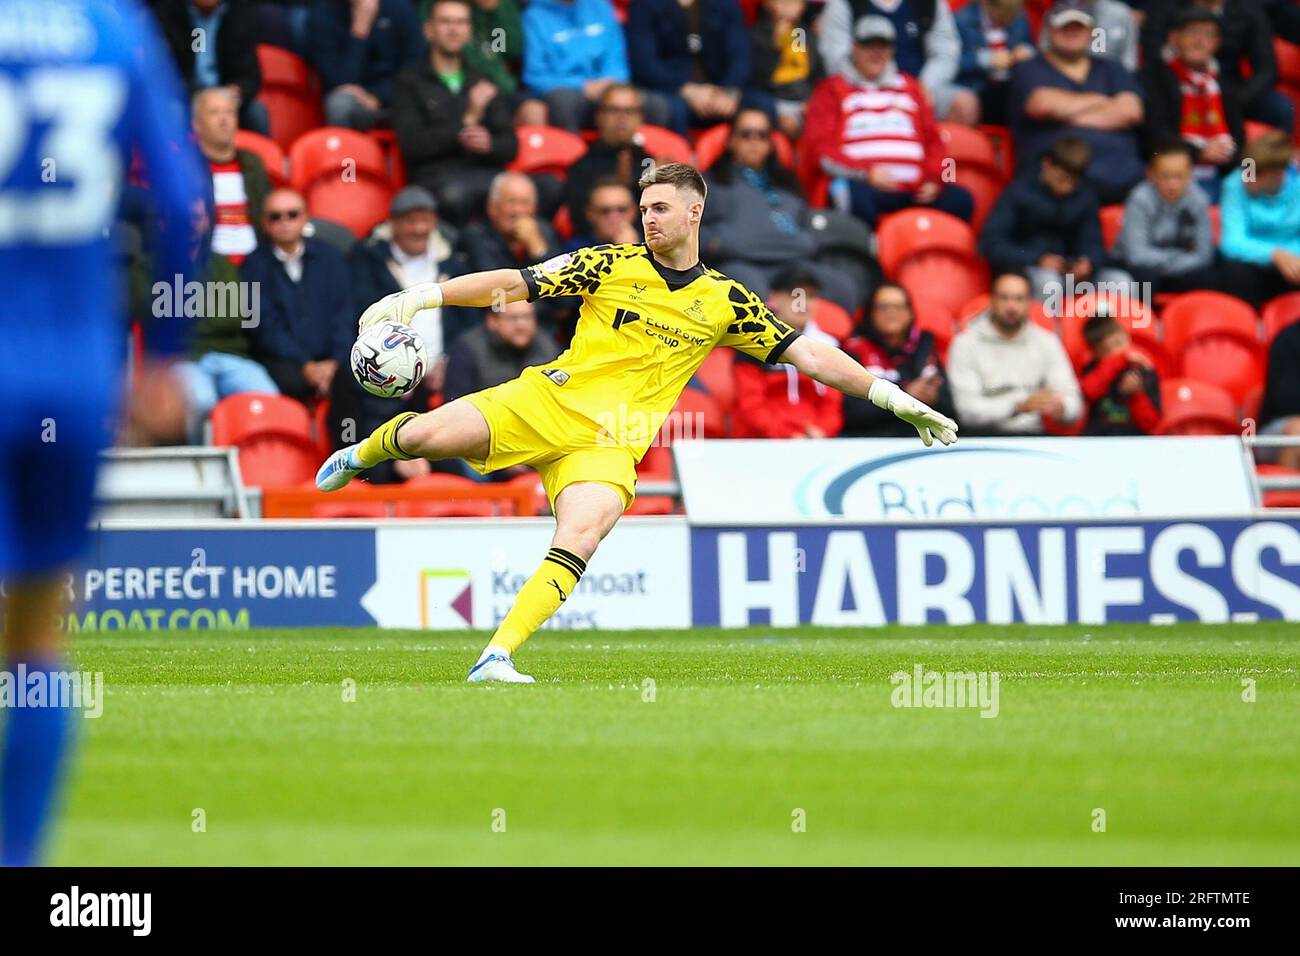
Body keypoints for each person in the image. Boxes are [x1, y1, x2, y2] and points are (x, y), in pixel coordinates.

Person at [316, 163, 958, 682]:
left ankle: (497, 655)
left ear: (694, 212)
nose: (647, 218)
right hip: (544, 401)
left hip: (609, 443)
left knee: (582, 535)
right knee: (423, 435)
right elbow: (513, 284)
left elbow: (810, 353)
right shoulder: (609, 264)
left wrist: (892, 397)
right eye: (643, 207)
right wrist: (422, 295)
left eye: (659, 208)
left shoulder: (724, 301)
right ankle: (361, 454)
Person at [0, 0, 206, 866]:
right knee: (37, 641)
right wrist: (161, 357)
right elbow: (185, 201)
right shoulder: (112, 29)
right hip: (75, 376)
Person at [802, 16, 975, 229]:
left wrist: (936, 180)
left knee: (962, 199)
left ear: (892, 49)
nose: (876, 52)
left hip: (916, 190)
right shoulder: (831, 89)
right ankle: (868, 256)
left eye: (882, 45)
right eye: (868, 45)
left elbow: (936, 143)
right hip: (864, 186)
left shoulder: (911, 88)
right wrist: (865, 173)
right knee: (846, 193)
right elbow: (820, 152)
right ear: (854, 47)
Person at [702, 107, 860, 311]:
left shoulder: (787, 185)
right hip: (741, 265)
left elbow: (809, 239)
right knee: (750, 300)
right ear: (731, 141)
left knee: (842, 289)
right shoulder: (709, 183)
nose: (754, 141)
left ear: (770, 144)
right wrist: (720, 242)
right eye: (745, 134)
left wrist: (736, 241)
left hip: (791, 266)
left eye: (762, 135)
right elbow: (697, 234)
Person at [393, 0, 519, 224]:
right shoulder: (409, 82)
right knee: (455, 195)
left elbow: (510, 144)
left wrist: (490, 144)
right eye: (445, 22)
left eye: (461, 22)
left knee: (542, 186)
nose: (453, 29)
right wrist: (466, 121)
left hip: (485, 172)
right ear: (428, 30)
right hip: (437, 178)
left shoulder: (483, 80)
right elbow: (412, 146)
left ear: (469, 32)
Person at [1009, 0, 1145, 204]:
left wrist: (1067, 113)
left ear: (1091, 33)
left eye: (1079, 27)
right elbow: (1043, 105)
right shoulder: (1029, 67)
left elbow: (1131, 111)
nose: (1072, 32)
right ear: (1049, 31)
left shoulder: (1111, 68)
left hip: (1123, 181)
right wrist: (1103, 101)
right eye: (1064, 26)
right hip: (1057, 187)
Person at [979, 136, 1130, 302]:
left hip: (1072, 276)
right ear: (1047, 164)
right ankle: (1047, 327)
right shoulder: (1017, 193)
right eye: (1062, 179)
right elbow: (991, 244)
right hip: (1027, 272)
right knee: (1049, 283)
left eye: (1074, 182)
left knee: (1121, 282)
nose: (1067, 187)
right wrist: (1037, 259)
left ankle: (1115, 329)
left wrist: (1089, 263)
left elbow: (1093, 242)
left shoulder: (1085, 198)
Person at [241, 189, 355, 403]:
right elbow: (264, 327)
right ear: (264, 223)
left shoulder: (331, 258)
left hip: (335, 359)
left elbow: (344, 314)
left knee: (355, 379)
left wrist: (334, 361)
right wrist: (305, 365)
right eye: (275, 217)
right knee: (283, 381)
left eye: (292, 214)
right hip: (284, 362)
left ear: (305, 217)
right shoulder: (252, 267)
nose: (284, 222)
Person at [947, 269, 1082, 433]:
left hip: (1036, 437)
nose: (1012, 306)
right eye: (1004, 298)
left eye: (1019, 299)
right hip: (981, 439)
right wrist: (1018, 407)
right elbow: (966, 411)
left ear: (1029, 303)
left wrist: (1062, 408)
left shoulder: (1047, 342)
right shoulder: (965, 344)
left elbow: (1073, 403)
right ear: (991, 300)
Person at [1140, 5, 1244, 203]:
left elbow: (1239, 136)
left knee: (1255, 175)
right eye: (1192, 33)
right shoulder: (1154, 77)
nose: (1199, 41)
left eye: (1207, 35)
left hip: (1221, 170)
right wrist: (1200, 153)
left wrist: (1225, 154)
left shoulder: (1222, 81)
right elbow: (1155, 135)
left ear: (1216, 43)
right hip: (1175, 174)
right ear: (1173, 38)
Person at [1143, 0, 1293, 135]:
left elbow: (1266, 69)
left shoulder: (1247, 10)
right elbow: (1153, 55)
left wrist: (1234, 101)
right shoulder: (1166, 6)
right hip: (1174, 87)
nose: (1199, 40)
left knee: (1279, 108)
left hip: (1231, 92)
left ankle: (1277, 163)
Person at [819, 0, 978, 124]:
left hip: (921, 88)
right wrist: (881, 89)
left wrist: (924, 86)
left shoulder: (929, 2)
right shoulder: (843, 3)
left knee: (964, 105)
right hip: (860, 87)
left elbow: (946, 51)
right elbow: (835, 58)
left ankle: (941, 162)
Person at [732, 270, 845, 439]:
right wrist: (786, 435)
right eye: (795, 295)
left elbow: (832, 403)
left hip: (814, 443)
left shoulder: (828, 346)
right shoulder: (753, 342)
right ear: (774, 298)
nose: (803, 303)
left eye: (811, 296)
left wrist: (822, 430)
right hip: (761, 444)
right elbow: (750, 403)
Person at [841, 282, 957, 437]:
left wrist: (934, 398)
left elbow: (951, 408)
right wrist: (905, 395)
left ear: (910, 313)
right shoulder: (854, 350)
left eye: (899, 306)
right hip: (871, 442)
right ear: (870, 313)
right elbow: (851, 412)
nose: (891, 313)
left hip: (923, 441)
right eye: (883, 307)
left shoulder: (926, 349)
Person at [625, 0, 756, 133]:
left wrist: (729, 91)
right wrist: (686, 88)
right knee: (675, 110)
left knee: (761, 105)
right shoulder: (645, 5)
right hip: (670, 89)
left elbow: (740, 55)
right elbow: (644, 63)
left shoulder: (725, 4)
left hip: (720, 89)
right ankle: (680, 153)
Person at [1113, 139, 1219, 295]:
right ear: (1151, 175)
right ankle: (1146, 318)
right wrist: (1176, 258)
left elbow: (1204, 254)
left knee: (1212, 276)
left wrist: (1173, 266)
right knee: (1145, 279)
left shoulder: (1199, 199)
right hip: (1142, 269)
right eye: (1165, 176)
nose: (1172, 184)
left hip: (1181, 268)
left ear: (1190, 175)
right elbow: (1136, 255)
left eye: (1178, 176)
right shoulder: (1139, 199)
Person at [152, 0, 270, 134]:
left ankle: (259, 154)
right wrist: (199, 95)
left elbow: (251, 75)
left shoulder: (240, 12)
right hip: (186, 95)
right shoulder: (168, 12)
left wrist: (237, 91)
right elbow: (165, 73)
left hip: (227, 95)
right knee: (172, 111)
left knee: (256, 113)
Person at [307, 0, 427, 130]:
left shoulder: (400, 8)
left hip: (397, 98)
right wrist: (359, 32)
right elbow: (339, 82)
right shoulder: (323, 13)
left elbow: (415, 65)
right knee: (339, 105)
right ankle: (345, 150)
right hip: (354, 102)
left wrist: (379, 96)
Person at [521, 0, 631, 132]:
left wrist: (611, 81)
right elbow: (535, 75)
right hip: (566, 91)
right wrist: (582, 86)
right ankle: (572, 152)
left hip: (607, 87)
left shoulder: (601, 6)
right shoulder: (534, 16)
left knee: (654, 105)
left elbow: (616, 58)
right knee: (564, 102)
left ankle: (630, 152)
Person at [1219, 131, 1300, 308]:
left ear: (1278, 174)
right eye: (1246, 169)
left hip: (1295, 263)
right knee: (1235, 272)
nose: (1246, 178)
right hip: (1255, 264)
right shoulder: (1234, 185)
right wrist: (1275, 254)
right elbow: (1232, 242)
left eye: (1254, 174)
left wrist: (1292, 257)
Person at [191, 87, 270, 264]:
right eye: (214, 112)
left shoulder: (253, 164)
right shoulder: (188, 167)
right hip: (208, 268)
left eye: (230, 112)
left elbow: (267, 216)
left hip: (256, 267)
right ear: (196, 124)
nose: (224, 119)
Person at [563, 84, 653, 235]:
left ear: (640, 118)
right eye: (614, 110)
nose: (622, 117)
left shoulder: (650, 164)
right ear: (599, 116)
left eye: (629, 111)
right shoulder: (581, 168)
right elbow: (579, 222)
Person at [444, 298, 562, 402]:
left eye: (527, 317)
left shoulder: (549, 348)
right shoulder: (468, 349)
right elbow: (456, 403)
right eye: (512, 318)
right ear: (492, 320)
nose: (521, 325)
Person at [748, 0, 823, 138]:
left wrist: (812, 100)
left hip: (803, 100)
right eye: (782, 2)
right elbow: (758, 76)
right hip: (774, 100)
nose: (788, 8)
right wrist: (775, 46)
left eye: (794, 3)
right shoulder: (758, 34)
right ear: (768, 4)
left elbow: (810, 71)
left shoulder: (801, 34)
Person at [953, 0, 1035, 126]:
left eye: (1012, 15)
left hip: (1013, 84)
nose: (1007, 20)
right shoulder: (961, 20)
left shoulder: (1019, 17)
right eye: (1003, 14)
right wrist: (985, 60)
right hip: (979, 88)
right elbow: (952, 63)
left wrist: (1027, 52)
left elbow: (1031, 47)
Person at [1079, 313, 1161, 434]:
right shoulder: (1092, 369)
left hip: (1134, 442)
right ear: (1095, 353)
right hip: (1098, 441)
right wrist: (1121, 359)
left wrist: (1136, 394)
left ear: (1126, 336)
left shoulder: (1144, 371)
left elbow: (1151, 424)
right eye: (1107, 350)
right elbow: (1089, 391)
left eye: (1118, 343)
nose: (1117, 352)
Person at [1035, 0, 1139, 72]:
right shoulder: (1060, 10)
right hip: (1064, 77)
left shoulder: (1122, 14)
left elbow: (1129, 61)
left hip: (1113, 83)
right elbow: (1045, 51)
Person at [1257, 319, 1300, 469]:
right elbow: (1286, 401)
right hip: (1277, 430)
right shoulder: (1289, 339)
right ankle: (1289, 492)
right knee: (1298, 429)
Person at [567, 179, 642, 249]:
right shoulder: (574, 250)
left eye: (622, 210)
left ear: (634, 211)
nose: (614, 218)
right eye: (605, 211)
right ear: (590, 214)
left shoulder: (651, 245)